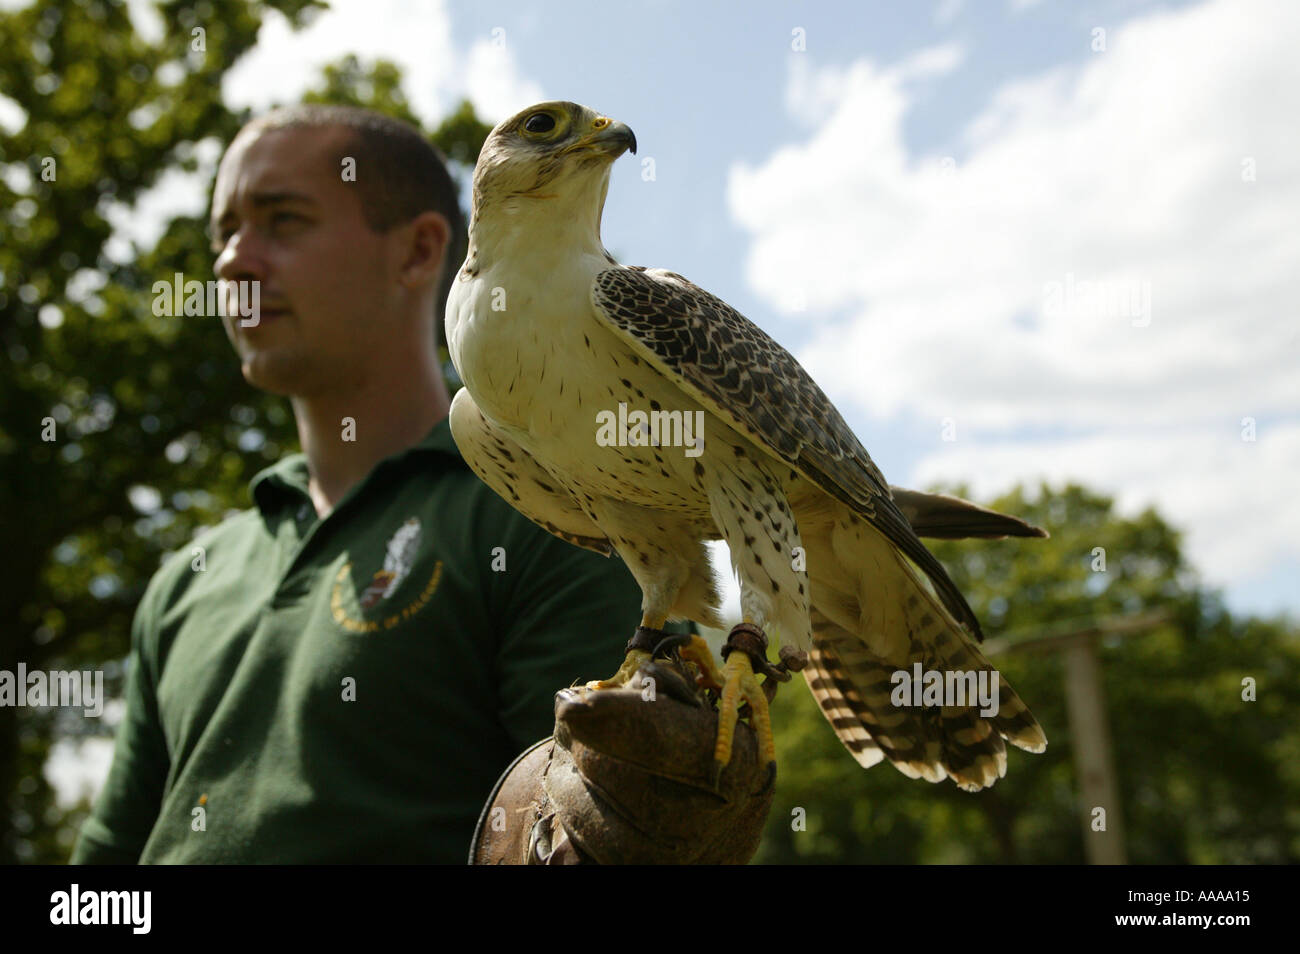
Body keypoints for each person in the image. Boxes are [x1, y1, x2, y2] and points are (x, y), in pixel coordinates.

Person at [70, 104, 667, 863]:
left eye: (281, 221)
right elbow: (103, 867)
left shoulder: (554, 513)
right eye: (223, 235)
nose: (231, 262)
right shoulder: (184, 583)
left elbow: (603, 826)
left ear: (419, 252)